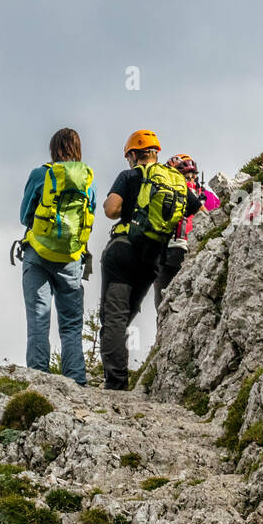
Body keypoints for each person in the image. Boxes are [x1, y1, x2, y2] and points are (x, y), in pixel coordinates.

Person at [99, 130, 203, 390]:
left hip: (123, 250)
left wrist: (130, 207)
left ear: (134, 154)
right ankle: (120, 373)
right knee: (127, 315)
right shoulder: (176, 180)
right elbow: (199, 210)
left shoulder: (129, 176)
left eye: (129, 157)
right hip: (153, 258)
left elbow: (111, 210)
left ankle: (116, 383)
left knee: (114, 317)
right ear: (156, 153)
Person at [18, 127, 95, 385]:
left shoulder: (41, 174)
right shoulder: (87, 180)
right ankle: (77, 381)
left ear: (53, 149)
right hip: (71, 258)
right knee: (71, 325)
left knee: (38, 319)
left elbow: (25, 216)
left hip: (37, 255)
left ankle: (39, 380)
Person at [153, 154, 221, 310]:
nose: (189, 180)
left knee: (163, 305)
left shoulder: (164, 194)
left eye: (190, 177)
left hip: (168, 254)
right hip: (199, 253)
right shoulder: (207, 197)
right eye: (188, 176)